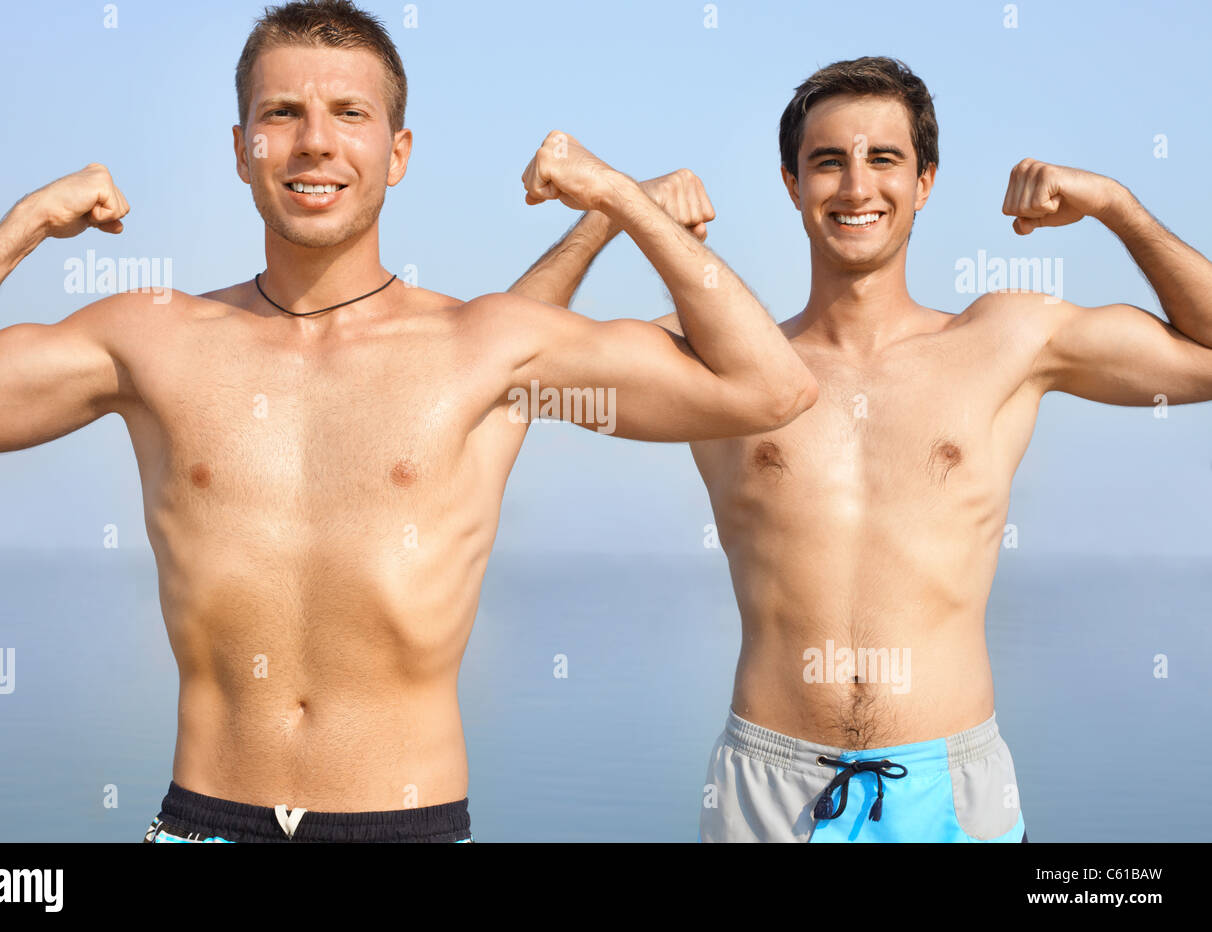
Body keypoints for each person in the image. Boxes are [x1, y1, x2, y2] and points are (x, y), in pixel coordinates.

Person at [0, 0, 817, 843]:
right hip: (204, 820)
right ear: (240, 149)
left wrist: (617, 198)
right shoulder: (152, 340)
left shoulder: (484, 345)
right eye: (281, 115)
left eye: (350, 114)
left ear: (400, 152)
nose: (315, 144)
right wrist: (25, 222)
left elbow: (769, 388)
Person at [510, 56, 1212, 842]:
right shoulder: (723, 370)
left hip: (953, 791)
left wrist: (1118, 206)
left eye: (884, 159)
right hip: (770, 791)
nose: (855, 188)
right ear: (791, 182)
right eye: (826, 162)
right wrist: (614, 209)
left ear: (926, 181)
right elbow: (500, 370)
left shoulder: (1006, 340)